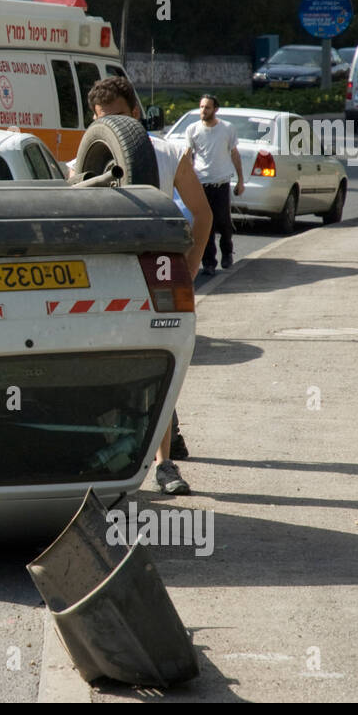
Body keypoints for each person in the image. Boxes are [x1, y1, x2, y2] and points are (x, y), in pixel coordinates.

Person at [78, 76, 211, 494]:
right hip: (109, 278)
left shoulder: (170, 153)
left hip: (159, 274)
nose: (113, 127)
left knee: (160, 360)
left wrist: (188, 270)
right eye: (103, 119)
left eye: (118, 115)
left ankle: (164, 465)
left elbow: (202, 215)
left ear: (135, 112)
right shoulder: (88, 160)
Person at [181, 95, 244, 275]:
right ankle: (209, 262)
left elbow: (234, 154)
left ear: (215, 109)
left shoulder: (227, 129)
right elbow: (188, 155)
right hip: (201, 183)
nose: (203, 111)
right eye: (201, 107)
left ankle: (227, 253)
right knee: (205, 223)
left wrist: (240, 180)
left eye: (207, 107)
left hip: (221, 183)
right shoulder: (192, 129)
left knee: (223, 222)